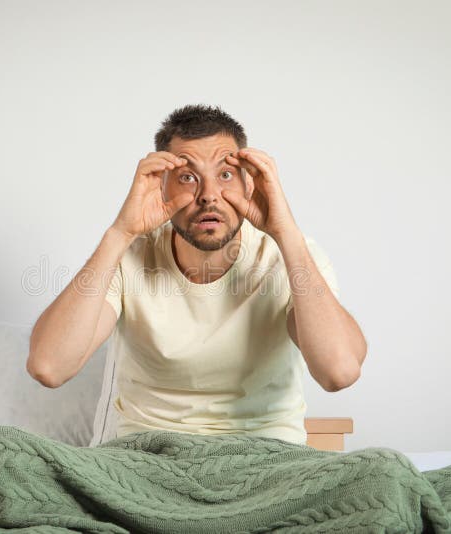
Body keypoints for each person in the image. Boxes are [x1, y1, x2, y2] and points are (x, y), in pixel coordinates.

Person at [27, 104, 367, 445]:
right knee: (4, 448)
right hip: (147, 457)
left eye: (225, 175)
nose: (208, 196)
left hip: (263, 456)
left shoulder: (291, 257)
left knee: (384, 467)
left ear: (249, 185)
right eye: (188, 177)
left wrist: (286, 233)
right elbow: (49, 367)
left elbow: (338, 372)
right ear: (162, 187)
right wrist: (120, 232)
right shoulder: (129, 256)